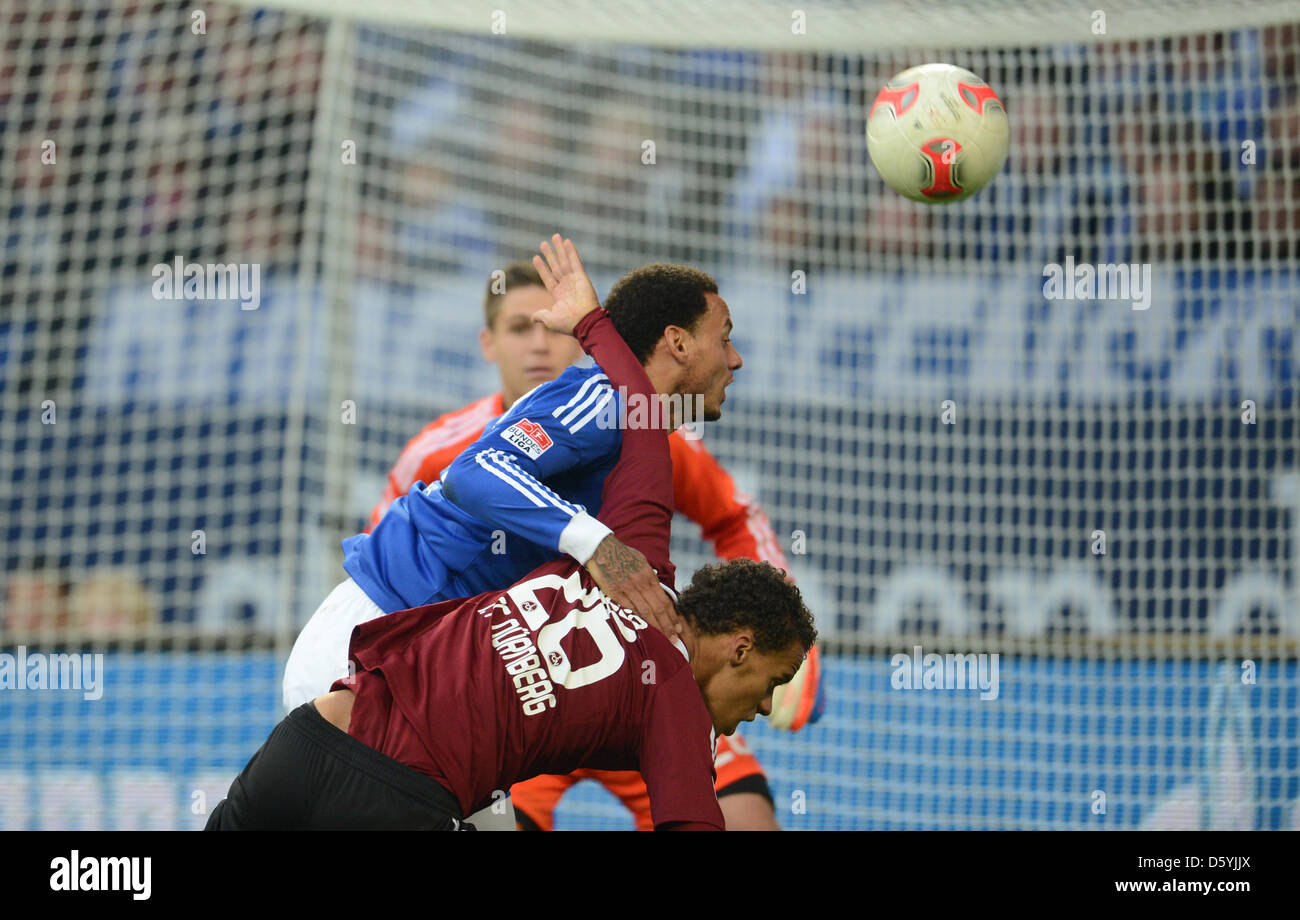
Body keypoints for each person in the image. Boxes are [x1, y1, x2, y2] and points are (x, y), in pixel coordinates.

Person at [208, 242, 816, 830]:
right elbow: (474, 472)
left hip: (450, 692)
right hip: (375, 655)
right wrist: (597, 545)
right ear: (678, 343)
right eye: (726, 336)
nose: (735, 358)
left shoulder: (642, 434)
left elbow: (714, 523)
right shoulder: (599, 400)